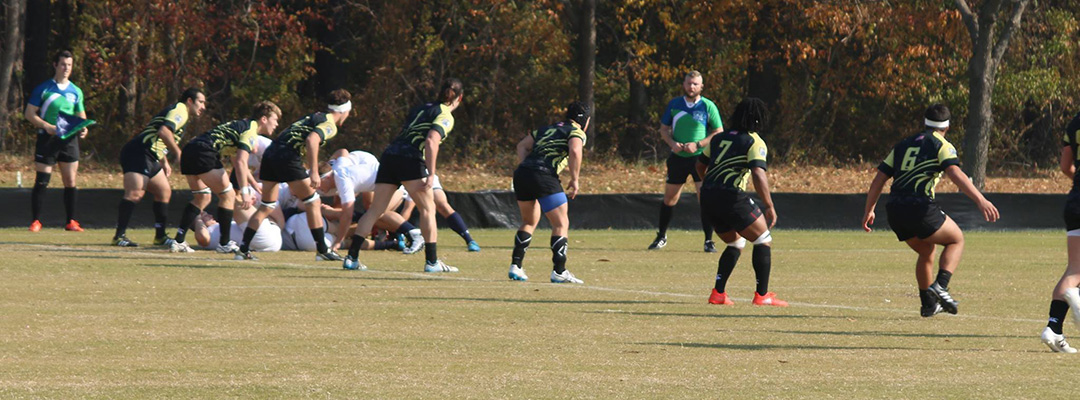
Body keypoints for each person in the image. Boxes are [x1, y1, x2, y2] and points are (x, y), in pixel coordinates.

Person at [862, 104, 999, 317]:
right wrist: (980, 200)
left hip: (895, 211)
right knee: (956, 240)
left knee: (926, 250)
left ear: (924, 122)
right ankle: (941, 285)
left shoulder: (903, 144)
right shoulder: (941, 144)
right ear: (947, 126)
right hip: (919, 207)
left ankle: (928, 304)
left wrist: (869, 210)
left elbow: (879, 178)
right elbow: (954, 172)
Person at [344, 79, 464, 272]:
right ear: (460, 97)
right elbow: (432, 140)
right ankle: (432, 262)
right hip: (410, 158)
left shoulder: (420, 108)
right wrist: (431, 173)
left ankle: (352, 258)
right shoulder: (446, 115)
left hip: (390, 154)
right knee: (428, 208)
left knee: (375, 210)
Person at [235, 90, 352, 261]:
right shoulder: (329, 124)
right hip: (286, 156)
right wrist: (313, 171)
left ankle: (243, 249)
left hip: (271, 154)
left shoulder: (315, 116)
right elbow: (312, 140)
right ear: (344, 111)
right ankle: (322, 250)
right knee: (313, 202)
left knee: (267, 205)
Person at [697, 98, 786, 307]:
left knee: (736, 242)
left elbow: (700, 165)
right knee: (763, 239)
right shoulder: (754, 141)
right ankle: (762, 296)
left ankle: (718, 293)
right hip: (731, 197)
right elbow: (758, 173)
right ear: (759, 119)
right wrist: (769, 205)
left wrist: (711, 184)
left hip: (708, 197)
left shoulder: (719, 138)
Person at [169, 101, 281, 253]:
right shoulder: (250, 130)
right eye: (275, 119)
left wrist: (253, 185)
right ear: (264, 119)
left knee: (202, 198)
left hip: (191, 149)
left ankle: (178, 241)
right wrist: (245, 192)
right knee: (227, 195)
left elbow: (237, 163)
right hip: (204, 152)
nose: (276, 124)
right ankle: (224, 243)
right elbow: (241, 162)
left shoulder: (241, 126)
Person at [507, 102, 590, 284]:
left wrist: (527, 165)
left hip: (522, 173)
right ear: (585, 121)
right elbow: (575, 150)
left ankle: (516, 266)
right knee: (561, 223)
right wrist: (575, 179)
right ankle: (559, 271)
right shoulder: (576, 131)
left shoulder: (546, 129)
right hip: (544, 175)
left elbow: (522, 146)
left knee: (529, 221)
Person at [112, 88, 206, 247]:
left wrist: (163, 160)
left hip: (151, 155)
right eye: (201, 102)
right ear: (190, 101)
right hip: (139, 152)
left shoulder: (181, 112)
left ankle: (160, 236)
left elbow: (156, 132)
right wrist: (178, 153)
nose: (203, 106)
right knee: (135, 193)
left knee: (164, 191)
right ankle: (119, 237)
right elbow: (164, 131)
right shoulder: (180, 110)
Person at [648, 70, 724, 252]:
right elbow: (664, 129)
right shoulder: (675, 104)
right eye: (689, 83)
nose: (692, 87)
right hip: (678, 159)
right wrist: (672, 143)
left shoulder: (708, 106)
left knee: (704, 198)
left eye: (695, 84)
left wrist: (698, 144)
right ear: (684, 84)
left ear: (701, 86)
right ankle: (661, 236)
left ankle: (708, 240)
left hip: (700, 158)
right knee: (670, 198)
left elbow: (718, 131)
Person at [24, 50, 89, 232]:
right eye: (63, 64)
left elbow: (81, 115)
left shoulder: (76, 91)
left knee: (70, 180)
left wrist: (84, 128)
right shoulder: (44, 89)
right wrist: (46, 126)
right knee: (43, 179)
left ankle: (71, 221)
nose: (66, 68)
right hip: (48, 139)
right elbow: (29, 114)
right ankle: (36, 221)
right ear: (55, 65)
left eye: (69, 65)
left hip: (69, 140)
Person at [320, 149, 424, 256]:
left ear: (327, 177)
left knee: (375, 213)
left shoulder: (341, 179)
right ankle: (402, 234)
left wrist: (338, 241)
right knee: (373, 214)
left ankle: (413, 233)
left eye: (318, 183)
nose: (317, 187)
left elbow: (347, 214)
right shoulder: (338, 170)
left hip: (390, 179)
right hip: (387, 176)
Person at [1041, 111, 1080, 352]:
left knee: (1074, 269)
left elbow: (1066, 166)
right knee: (1075, 274)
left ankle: (1053, 328)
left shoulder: (1075, 121)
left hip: (1075, 201)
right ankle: (1075, 296)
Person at [397, 174, 481, 251]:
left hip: (425, 172)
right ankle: (400, 238)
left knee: (442, 205)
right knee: (409, 206)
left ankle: (469, 240)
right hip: (407, 174)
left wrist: (431, 174)